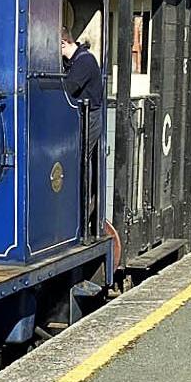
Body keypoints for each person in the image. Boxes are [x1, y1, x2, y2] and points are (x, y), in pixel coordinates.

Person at [61, 32, 104, 234]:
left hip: (89, 118)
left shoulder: (84, 61)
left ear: (63, 43)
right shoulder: (71, 62)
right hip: (78, 117)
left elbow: (68, 89)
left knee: (81, 161)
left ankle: (83, 214)